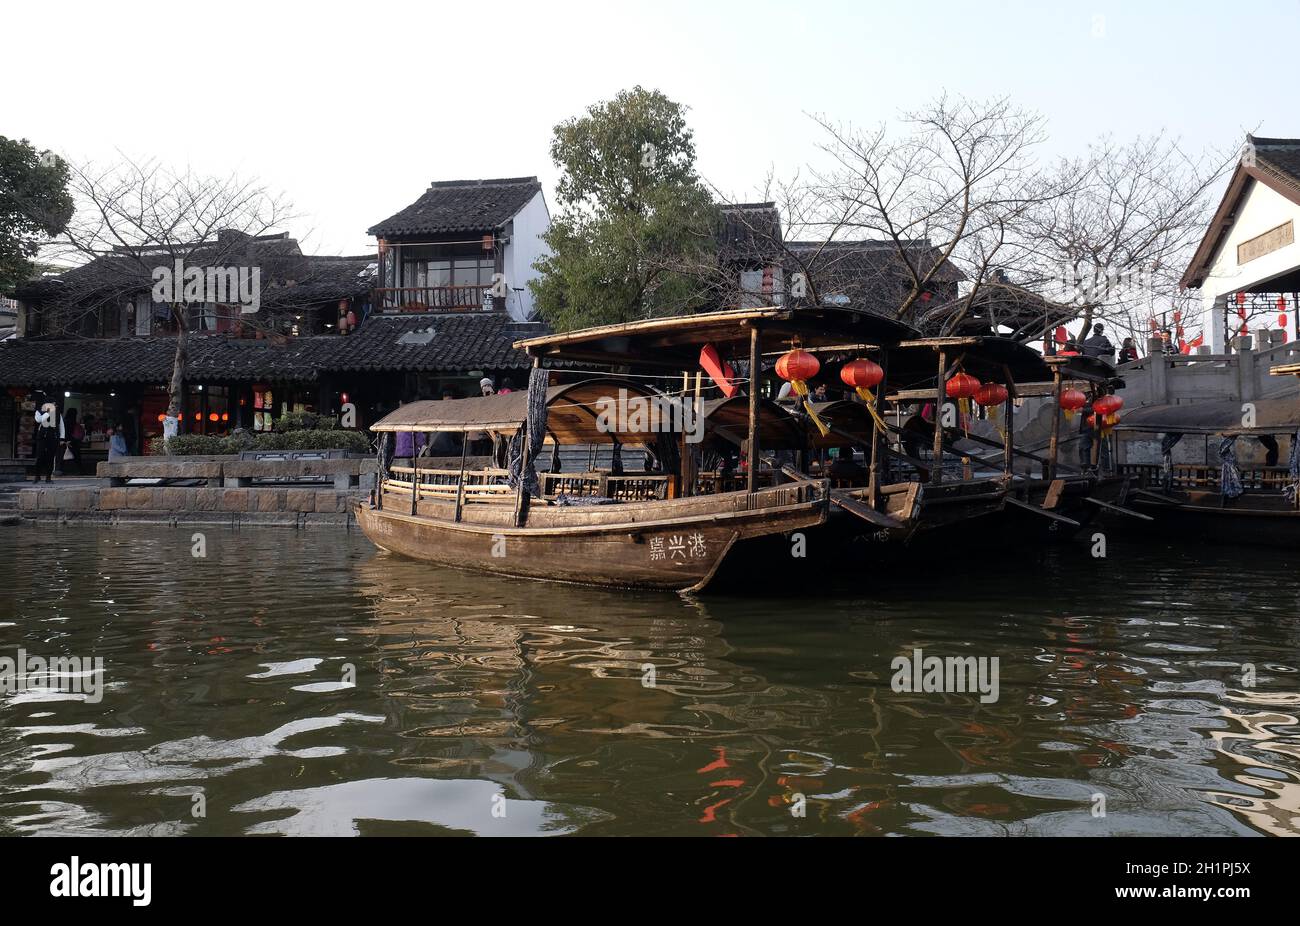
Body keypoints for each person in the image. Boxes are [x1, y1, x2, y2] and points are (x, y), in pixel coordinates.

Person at [33, 400, 63, 482]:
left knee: (50, 457)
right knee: (40, 456)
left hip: (52, 437)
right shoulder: (39, 412)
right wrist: (48, 412)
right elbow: (40, 420)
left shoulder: (57, 413)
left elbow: (61, 425)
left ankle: (48, 477)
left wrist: (62, 438)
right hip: (42, 437)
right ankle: (37, 475)